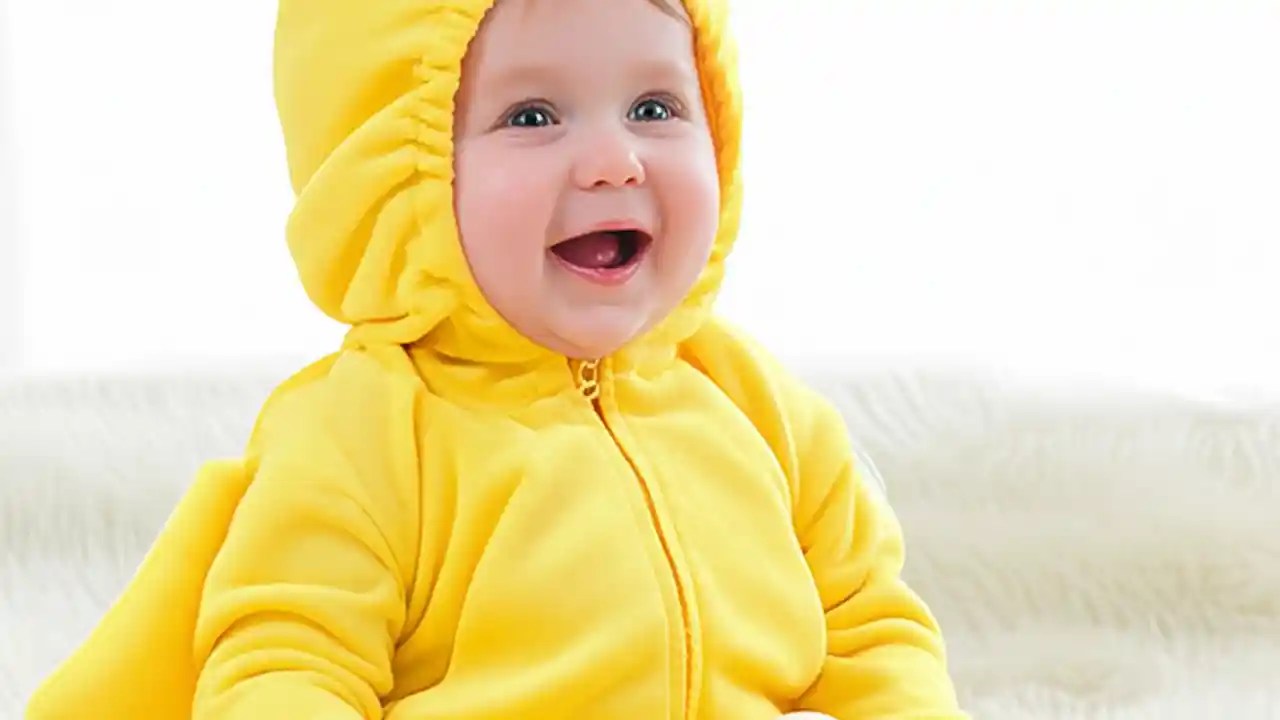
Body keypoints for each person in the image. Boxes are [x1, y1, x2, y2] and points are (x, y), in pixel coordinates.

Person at [27, 0, 966, 717]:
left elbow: (872, 630)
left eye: (653, 105)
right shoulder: (366, 433)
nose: (614, 161)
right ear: (402, 165)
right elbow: (289, 662)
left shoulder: (758, 407)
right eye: (531, 117)